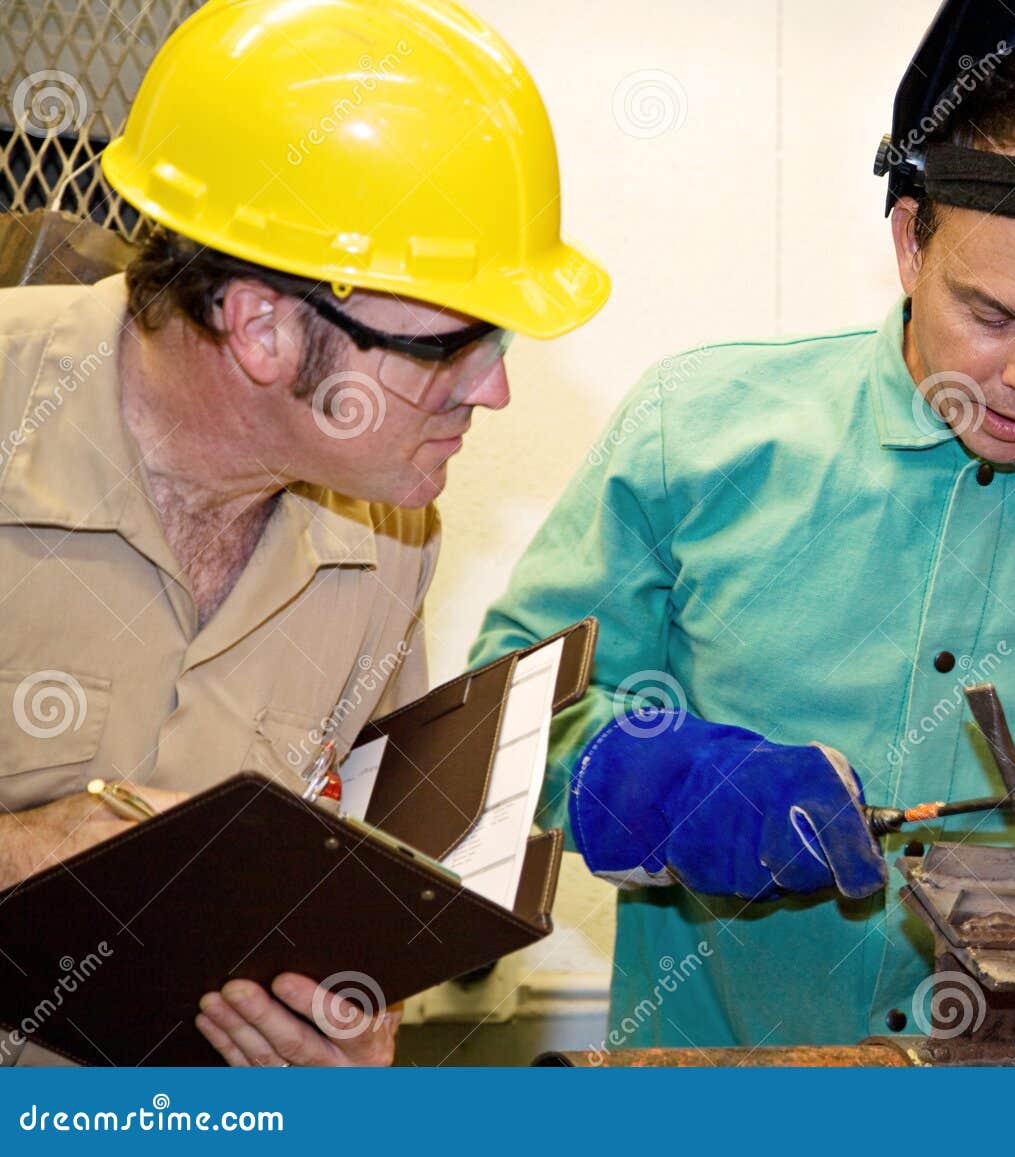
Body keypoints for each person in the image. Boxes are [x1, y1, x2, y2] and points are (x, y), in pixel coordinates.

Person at [473, 19, 1015, 1049]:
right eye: (989, 314)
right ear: (909, 239)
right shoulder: (699, 428)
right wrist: (655, 774)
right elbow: (508, 711)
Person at [0, 0, 606, 1066]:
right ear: (264, 326)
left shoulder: (390, 528)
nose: (496, 389)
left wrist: (347, 1027)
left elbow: (351, 873)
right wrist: (32, 849)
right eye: (454, 345)